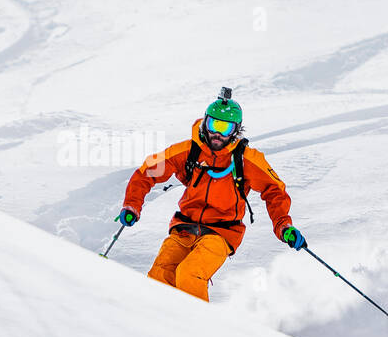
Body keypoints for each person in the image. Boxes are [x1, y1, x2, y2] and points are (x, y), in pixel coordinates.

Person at [115, 89, 305, 301]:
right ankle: (157, 325)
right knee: (160, 275)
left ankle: (200, 330)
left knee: (190, 273)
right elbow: (148, 172)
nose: (217, 134)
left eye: (225, 128)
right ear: (205, 123)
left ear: (236, 130)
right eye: (214, 125)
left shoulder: (246, 160)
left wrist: (283, 225)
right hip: (184, 227)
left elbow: (274, 190)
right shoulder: (189, 151)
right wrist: (132, 205)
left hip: (221, 232)